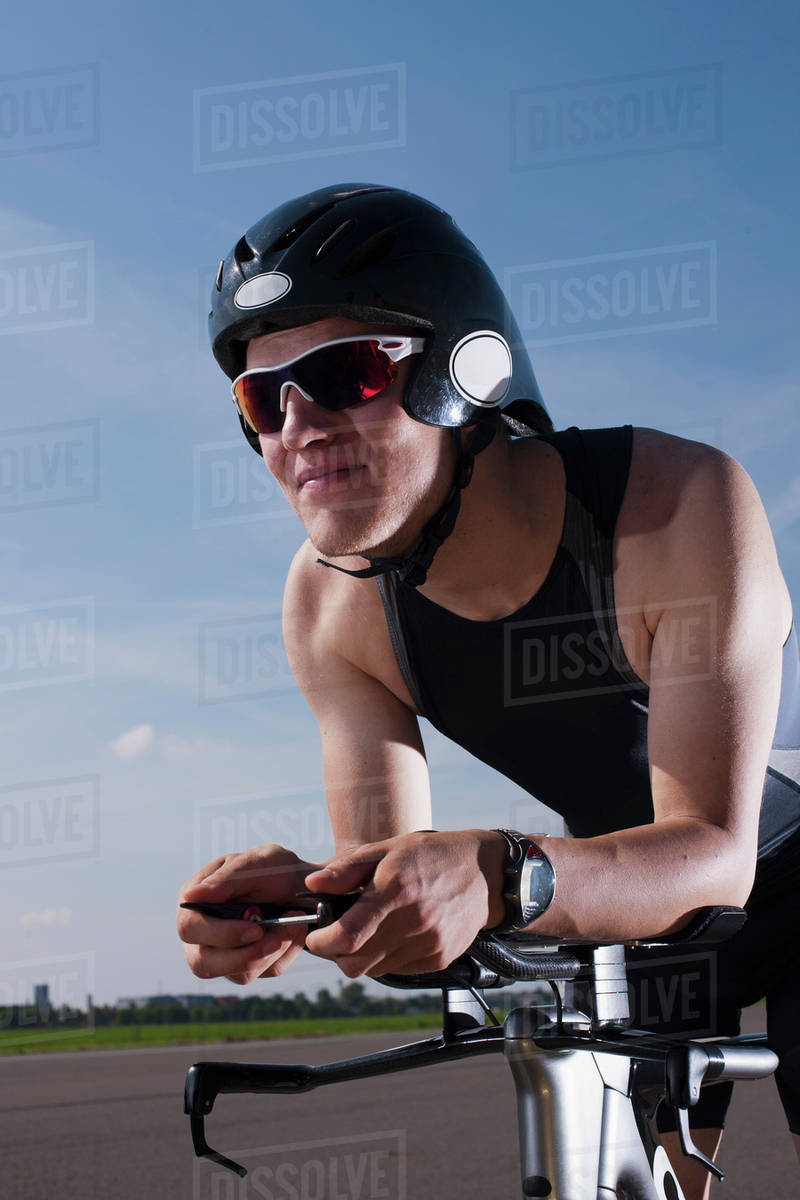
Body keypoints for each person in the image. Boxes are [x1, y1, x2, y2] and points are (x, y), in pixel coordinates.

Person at [177, 182, 800, 1198]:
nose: (299, 426)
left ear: (462, 372)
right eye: (262, 397)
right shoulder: (329, 607)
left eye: (344, 372)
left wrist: (505, 875)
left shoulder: (679, 504)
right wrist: (313, 901)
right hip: (622, 896)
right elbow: (408, 925)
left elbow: (716, 861)